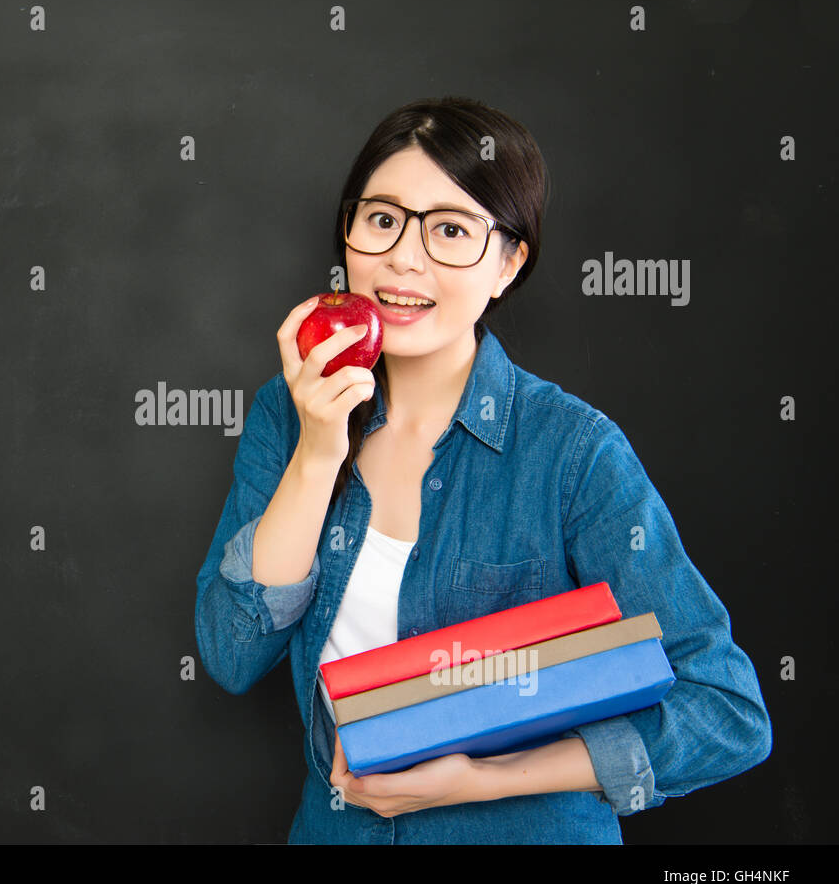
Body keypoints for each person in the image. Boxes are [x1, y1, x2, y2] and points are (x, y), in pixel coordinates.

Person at [193, 96, 772, 844]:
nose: (404, 256)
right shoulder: (287, 410)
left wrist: (485, 777)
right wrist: (317, 449)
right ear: (349, 232)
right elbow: (231, 654)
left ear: (508, 263)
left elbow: (727, 710)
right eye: (382, 219)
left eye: (451, 230)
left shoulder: (573, 451)